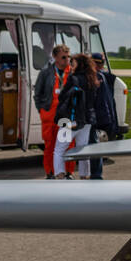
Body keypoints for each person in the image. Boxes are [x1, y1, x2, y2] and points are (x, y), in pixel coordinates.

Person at [53, 53, 99, 178]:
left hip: (69, 121)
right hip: (87, 121)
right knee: (82, 150)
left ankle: (60, 175)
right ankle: (84, 176)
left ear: (79, 64)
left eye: (73, 63)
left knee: (59, 149)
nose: (71, 65)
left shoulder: (73, 79)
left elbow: (63, 97)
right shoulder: (92, 79)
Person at [34, 44, 75, 178]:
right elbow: (37, 94)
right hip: (49, 115)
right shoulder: (46, 72)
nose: (67, 60)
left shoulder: (72, 73)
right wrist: (42, 111)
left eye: (68, 57)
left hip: (66, 116)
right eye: (63, 57)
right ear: (55, 57)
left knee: (67, 145)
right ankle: (50, 172)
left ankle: (68, 172)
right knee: (50, 146)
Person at [88, 52, 119, 179]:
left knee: (94, 145)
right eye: (98, 63)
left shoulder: (102, 77)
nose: (100, 66)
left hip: (94, 118)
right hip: (90, 117)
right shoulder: (97, 77)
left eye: (101, 64)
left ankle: (95, 175)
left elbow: (106, 101)